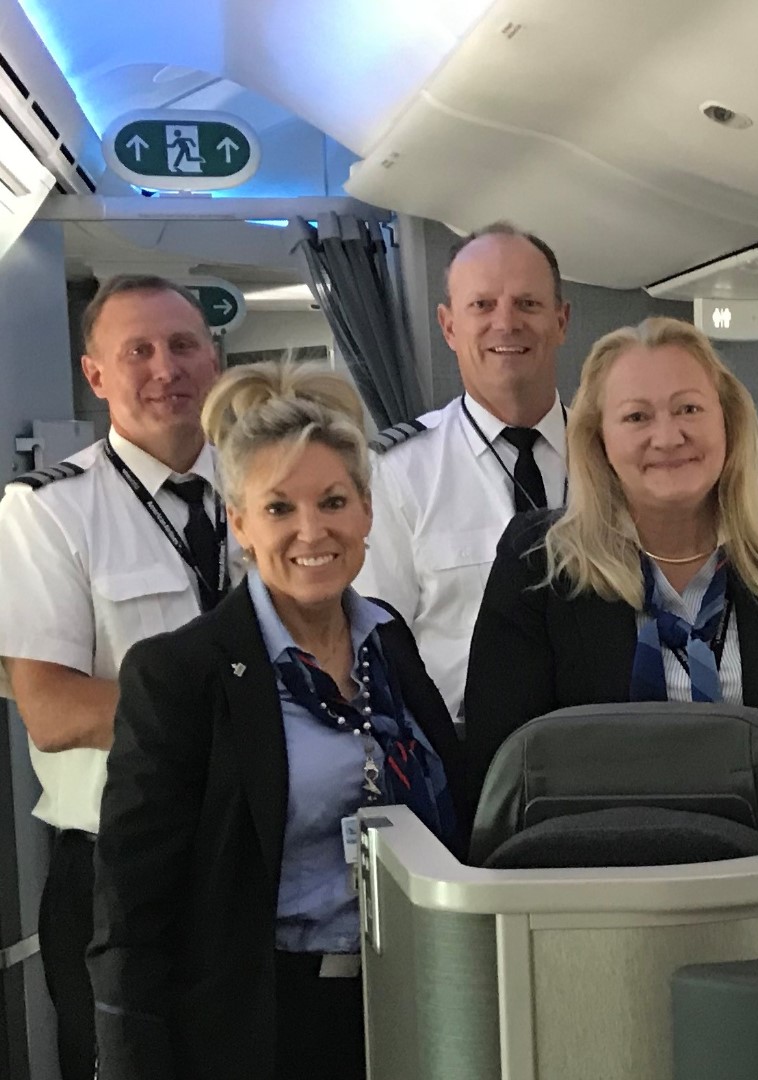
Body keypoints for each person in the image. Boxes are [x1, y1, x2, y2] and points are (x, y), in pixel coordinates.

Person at [90, 362, 467, 1080]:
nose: (310, 530)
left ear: (366, 511)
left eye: (333, 502)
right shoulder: (184, 673)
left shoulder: (387, 639)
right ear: (239, 523)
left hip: (418, 999)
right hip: (267, 1023)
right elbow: (131, 915)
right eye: (279, 508)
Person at [467, 319, 758, 825]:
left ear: (727, 420)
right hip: (595, 867)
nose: (668, 437)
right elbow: (501, 776)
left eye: (689, 409)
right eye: (637, 416)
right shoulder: (540, 566)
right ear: (599, 440)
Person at [0, 274, 230, 1080]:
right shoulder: (47, 512)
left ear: (214, 358)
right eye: (139, 351)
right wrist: (230, 710)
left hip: (259, 850)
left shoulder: (273, 491)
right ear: (95, 376)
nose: (166, 368)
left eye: (183, 345)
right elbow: (53, 708)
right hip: (121, 867)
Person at [358, 221, 572, 720]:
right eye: (482, 305)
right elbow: (375, 646)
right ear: (449, 326)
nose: (506, 322)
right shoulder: (398, 473)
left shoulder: (616, 456)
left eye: (528, 304)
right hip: (460, 745)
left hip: (599, 738)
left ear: (561, 321)